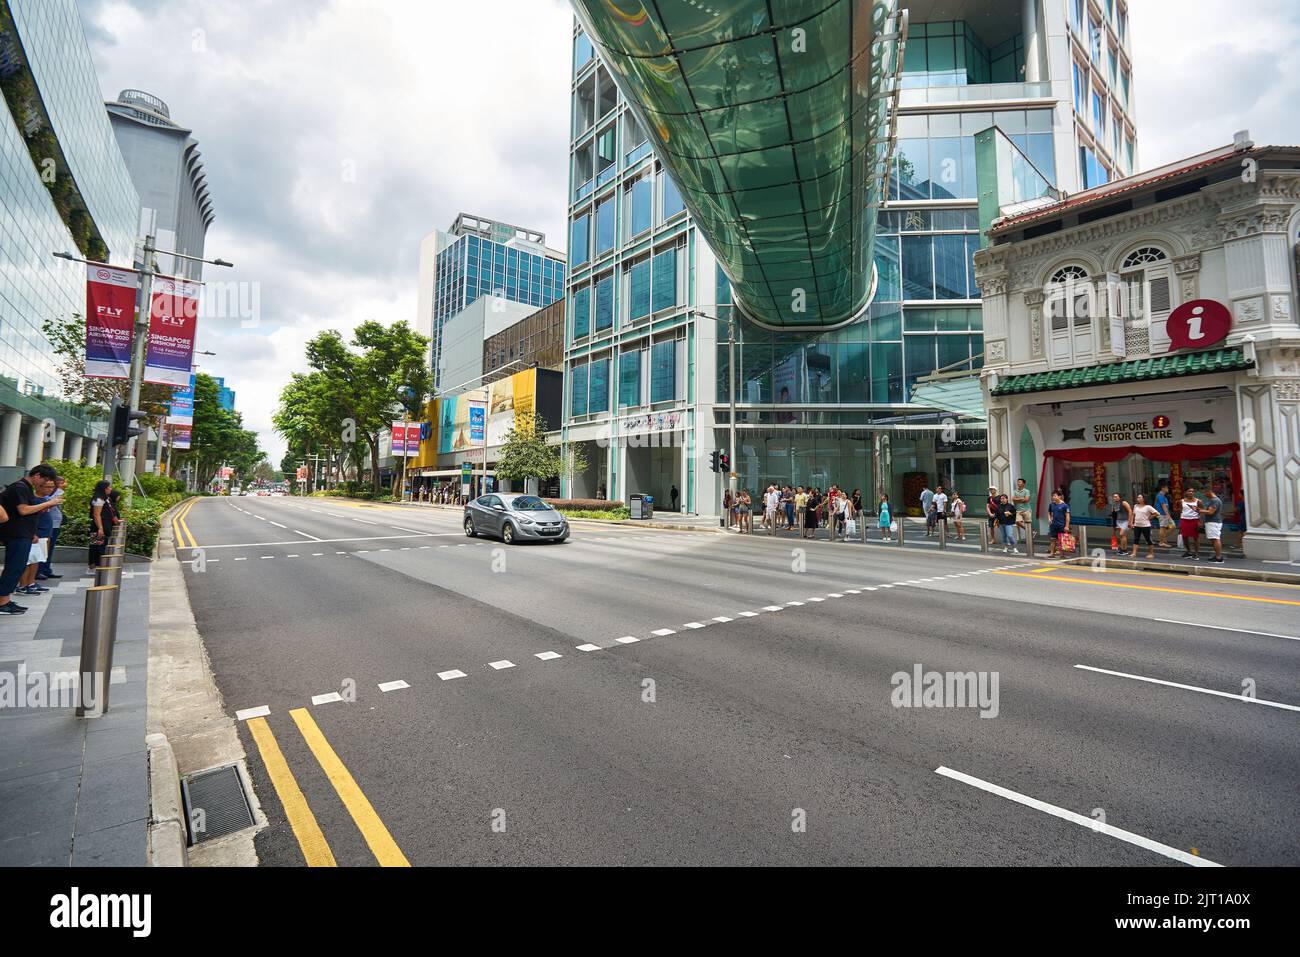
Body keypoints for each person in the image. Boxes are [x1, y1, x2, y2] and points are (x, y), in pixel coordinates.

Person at [0, 465, 60, 616]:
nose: (45, 484)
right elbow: (23, 510)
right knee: (14, 567)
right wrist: (48, 503)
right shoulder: (19, 487)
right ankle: (2, 602)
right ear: (37, 475)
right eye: (45, 480)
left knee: (17, 567)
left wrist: (31, 533)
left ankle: (5, 599)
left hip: (22, 533)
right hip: (16, 534)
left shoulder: (25, 487)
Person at [37, 476, 65, 580]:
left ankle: (46, 569)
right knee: (43, 549)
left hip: (54, 524)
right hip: (47, 526)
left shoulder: (50, 496)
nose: (50, 489)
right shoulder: (44, 497)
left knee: (49, 549)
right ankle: (40, 571)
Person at [88, 480, 113, 572]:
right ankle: (96, 565)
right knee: (97, 546)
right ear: (104, 488)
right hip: (99, 525)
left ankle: (97, 565)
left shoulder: (104, 498)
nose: (110, 489)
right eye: (109, 487)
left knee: (100, 544)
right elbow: (96, 515)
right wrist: (100, 528)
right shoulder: (98, 499)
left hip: (104, 524)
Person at [1200, 485, 1225, 563]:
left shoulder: (1214, 500)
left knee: (1215, 539)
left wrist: (1199, 510)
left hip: (1213, 522)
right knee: (1213, 539)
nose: (1204, 495)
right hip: (1213, 522)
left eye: (1205, 493)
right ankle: (1217, 555)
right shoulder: (1215, 500)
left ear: (1209, 492)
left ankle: (1218, 557)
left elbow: (1211, 512)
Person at [1130, 494, 1158, 559]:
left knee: (1148, 539)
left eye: (1139, 497)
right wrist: (1131, 522)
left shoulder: (1148, 507)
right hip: (1137, 525)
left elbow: (1156, 513)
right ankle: (1134, 553)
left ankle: (1151, 553)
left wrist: (1150, 516)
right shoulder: (1135, 506)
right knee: (1136, 539)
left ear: (1144, 499)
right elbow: (1133, 515)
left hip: (1146, 525)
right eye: (1138, 497)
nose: (1138, 498)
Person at [1179, 486, 1202, 560]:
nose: (1191, 492)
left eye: (1192, 491)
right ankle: (1188, 551)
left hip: (1194, 520)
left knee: (1195, 537)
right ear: (1186, 492)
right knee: (1184, 536)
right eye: (1189, 491)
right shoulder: (1181, 501)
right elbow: (1181, 511)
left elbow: (1201, 511)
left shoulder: (1198, 501)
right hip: (1184, 520)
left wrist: (1200, 521)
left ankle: (1196, 553)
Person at [1047, 490, 1071, 559]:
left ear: (1059, 496)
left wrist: (1067, 526)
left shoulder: (1065, 506)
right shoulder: (1051, 504)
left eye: (1055, 496)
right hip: (1053, 525)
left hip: (1062, 525)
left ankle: (1062, 554)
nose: (1053, 497)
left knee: (1062, 540)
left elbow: (1067, 516)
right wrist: (1049, 519)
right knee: (1053, 539)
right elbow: (1049, 512)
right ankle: (1052, 553)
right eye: (1052, 496)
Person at [1154, 481, 1174, 549]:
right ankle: (1161, 542)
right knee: (1163, 527)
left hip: (1165, 514)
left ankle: (1163, 538)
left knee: (1172, 526)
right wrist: (1167, 514)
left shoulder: (1163, 496)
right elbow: (1163, 506)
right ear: (1163, 488)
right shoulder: (1160, 495)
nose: (1168, 489)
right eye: (1167, 488)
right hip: (1162, 514)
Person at [1012, 479, 1032, 543]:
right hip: (1018, 510)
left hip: (1026, 510)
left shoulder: (1027, 491)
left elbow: (1026, 500)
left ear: (1023, 484)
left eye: (1020, 482)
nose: (1018, 483)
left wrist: (1017, 499)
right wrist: (1021, 498)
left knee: (1028, 523)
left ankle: (1030, 538)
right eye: (1018, 482)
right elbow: (1013, 499)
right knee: (1017, 522)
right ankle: (1030, 531)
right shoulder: (1015, 491)